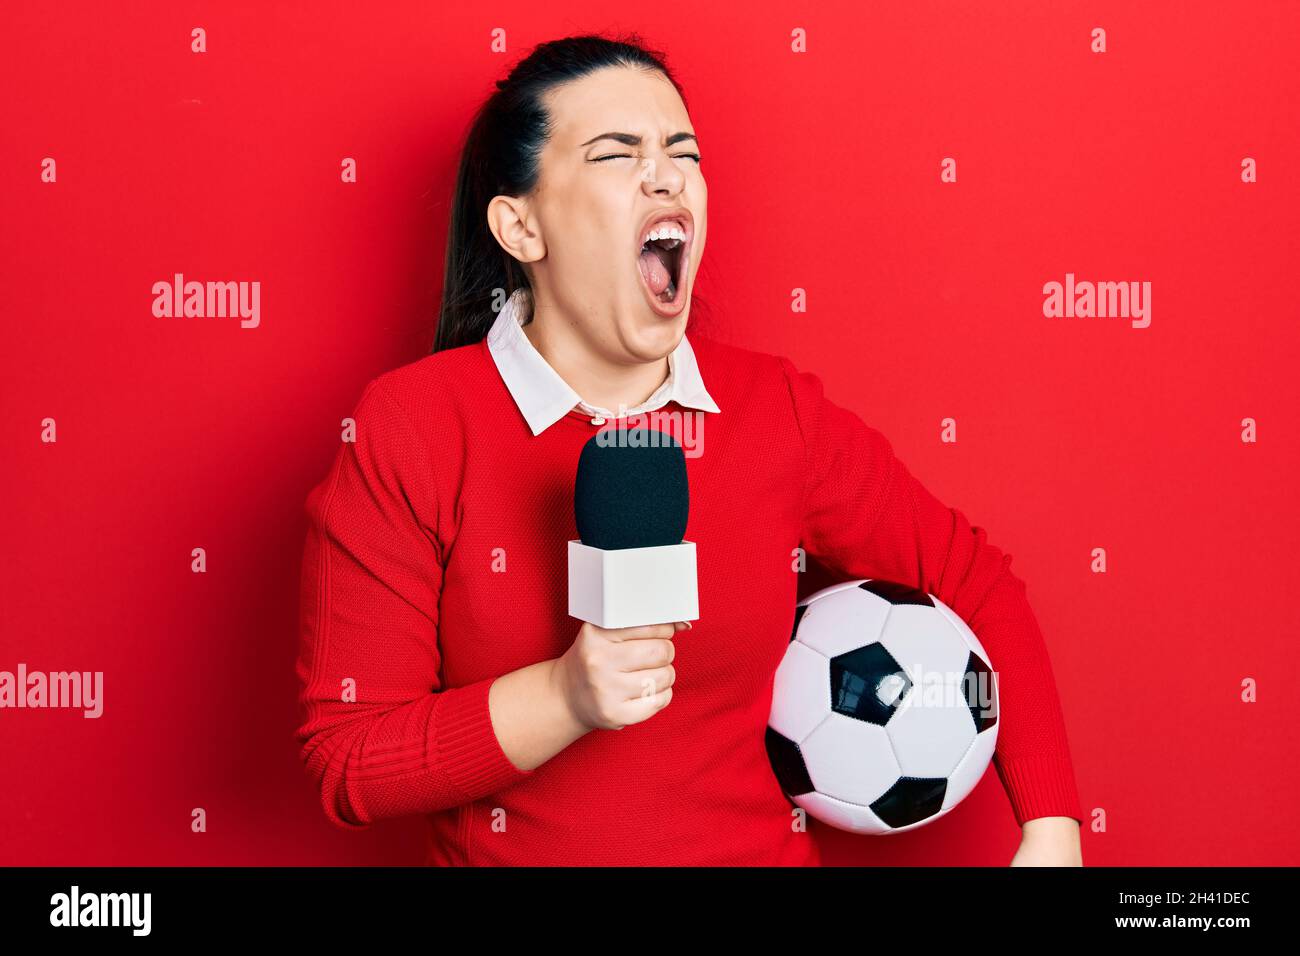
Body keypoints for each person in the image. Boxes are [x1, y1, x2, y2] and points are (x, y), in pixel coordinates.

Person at [294, 33, 1084, 866]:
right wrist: (566, 695)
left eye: (683, 151)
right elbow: (349, 759)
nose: (665, 173)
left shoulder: (774, 410)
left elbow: (974, 581)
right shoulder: (413, 425)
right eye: (615, 153)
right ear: (520, 226)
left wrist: (1053, 828)